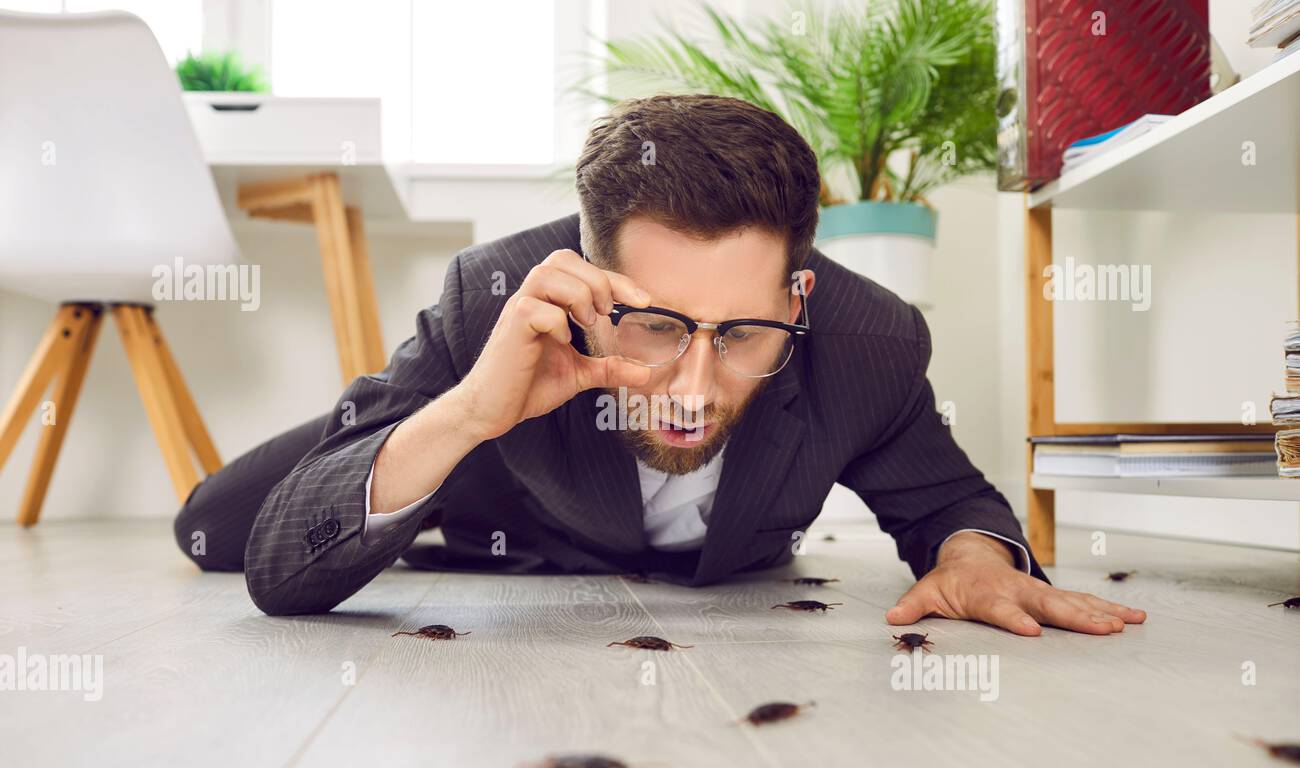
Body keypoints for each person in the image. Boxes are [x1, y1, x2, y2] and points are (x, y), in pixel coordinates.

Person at [177, 94, 1145, 637]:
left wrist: (972, 558)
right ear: (588, 279)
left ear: (797, 298)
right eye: (655, 324)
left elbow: (944, 501)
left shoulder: (871, 339)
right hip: (493, 511)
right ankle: (389, 416)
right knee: (212, 526)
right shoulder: (495, 295)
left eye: (739, 335)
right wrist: (470, 408)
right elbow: (265, 570)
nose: (691, 388)